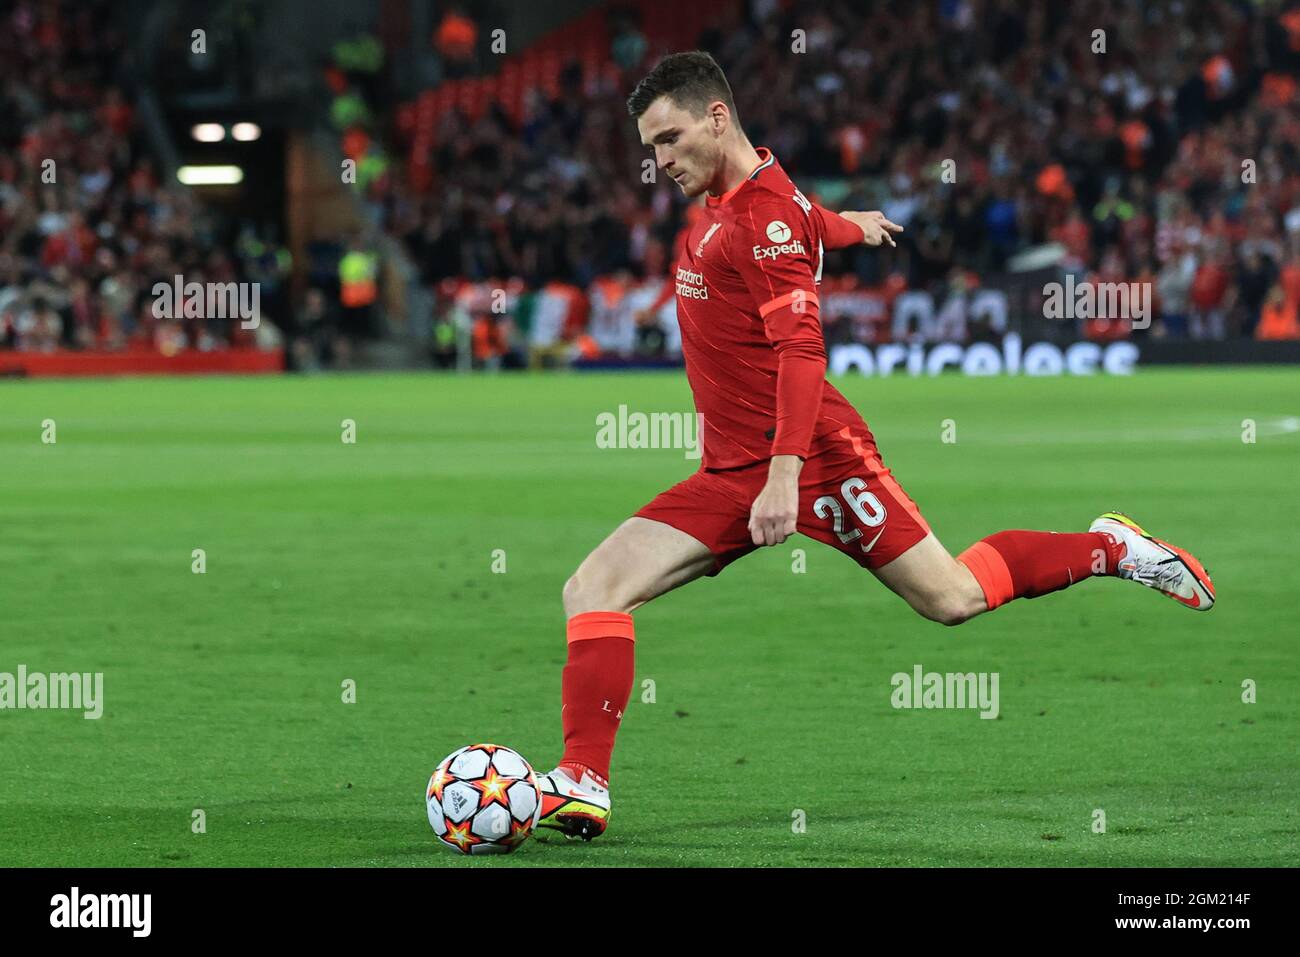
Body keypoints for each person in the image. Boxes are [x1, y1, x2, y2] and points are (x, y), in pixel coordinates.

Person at [532, 52, 1215, 843]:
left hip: (815, 457)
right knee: (592, 589)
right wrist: (851, 226)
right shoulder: (743, 198)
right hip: (732, 470)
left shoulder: (762, 219)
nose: (660, 162)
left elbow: (802, 352)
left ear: (717, 117)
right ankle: (582, 783)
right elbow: (801, 219)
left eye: (670, 138)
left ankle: (1111, 548)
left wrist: (785, 476)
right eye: (651, 147)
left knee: (952, 598)